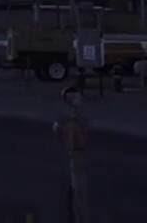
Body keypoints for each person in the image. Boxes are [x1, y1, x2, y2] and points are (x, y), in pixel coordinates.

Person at [52, 86, 90, 223]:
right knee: (79, 193)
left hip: (75, 154)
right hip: (76, 155)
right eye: (77, 97)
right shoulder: (73, 119)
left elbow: (57, 130)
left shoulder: (69, 117)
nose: (79, 99)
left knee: (76, 193)